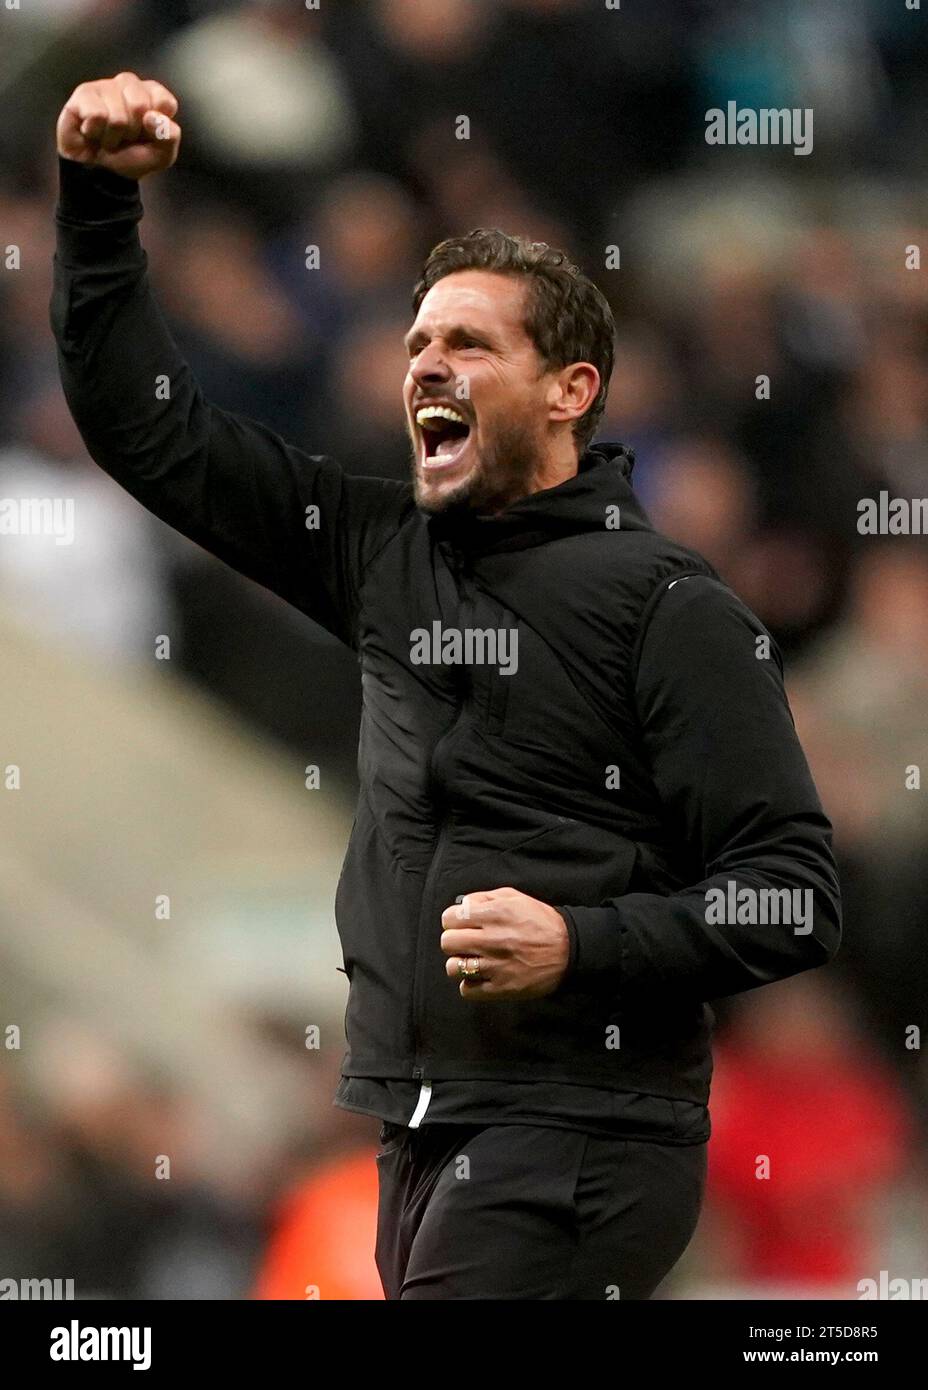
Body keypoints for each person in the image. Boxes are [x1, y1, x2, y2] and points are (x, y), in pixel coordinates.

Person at [51, 73, 841, 1300]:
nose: (426, 361)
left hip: (585, 1132)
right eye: (417, 340)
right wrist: (101, 205)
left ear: (570, 391)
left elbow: (792, 896)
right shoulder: (380, 555)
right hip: (423, 1129)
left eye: (469, 341)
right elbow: (148, 433)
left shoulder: (670, 607)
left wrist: (579, 944)